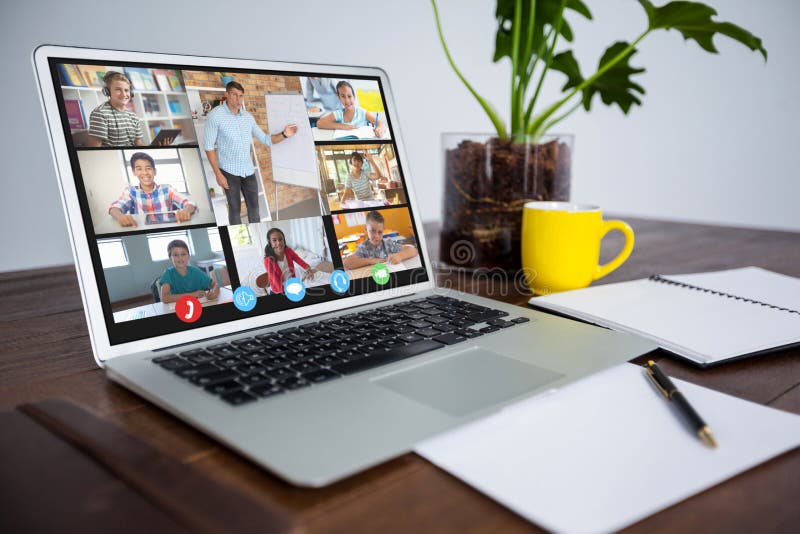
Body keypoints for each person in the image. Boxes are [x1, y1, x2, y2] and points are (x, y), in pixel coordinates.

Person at [204, 80, 299, 224]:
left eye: (241, 96)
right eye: (235, 95)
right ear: (227, 95)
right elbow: (209, 146)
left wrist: (285, 134)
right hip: (229, 172)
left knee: (254, 209)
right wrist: (218, 174)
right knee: (235, 210)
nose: (238, 99)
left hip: (248, 171)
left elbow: (266, 139)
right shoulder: (215, 116)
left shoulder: (248, 118)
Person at [108, 152, 197, 227]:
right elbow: (114, 208)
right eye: (139, 169)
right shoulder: (130, 191)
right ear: (134, 172)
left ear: (155, 171)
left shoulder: (167, 189)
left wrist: (186, 211)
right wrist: (120, 216)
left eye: (148, 168)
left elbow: (190, 203)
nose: (145, 172)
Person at [342, 210, 417, 270]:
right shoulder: (363, 247)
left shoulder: (388, 244)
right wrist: (371, 261)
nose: (376, 236)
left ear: (383, 231)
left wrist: (400, 255)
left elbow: (413, 250)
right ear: (366, 229)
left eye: (380, 232)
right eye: (372, 231)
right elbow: (347, 263)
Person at [86, 71, 145, 147]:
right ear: (108, 91)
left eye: (126, 90)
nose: (124, 94)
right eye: (118, 90)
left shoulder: (133, 116)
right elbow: (94, 148)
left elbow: (138, 143)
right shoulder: (100, 114)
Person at [316, 81, 387, 137]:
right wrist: (344, 126)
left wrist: (380, 129)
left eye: (349, 96)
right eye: (343, 96)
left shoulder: (362, 112)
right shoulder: (339, 113)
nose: (347, 100)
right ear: (339, 98)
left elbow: (380, 123)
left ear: (354, 96)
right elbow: (319, 123)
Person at [262, 228, 317, 294]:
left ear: (284, 240)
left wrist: (308, 269)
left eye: (280, 239)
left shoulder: (288, 251)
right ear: (270, 243)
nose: (278, 243)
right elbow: (276, 282)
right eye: (274, 240)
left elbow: (300, 261)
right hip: (278, 290)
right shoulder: (267, 261)